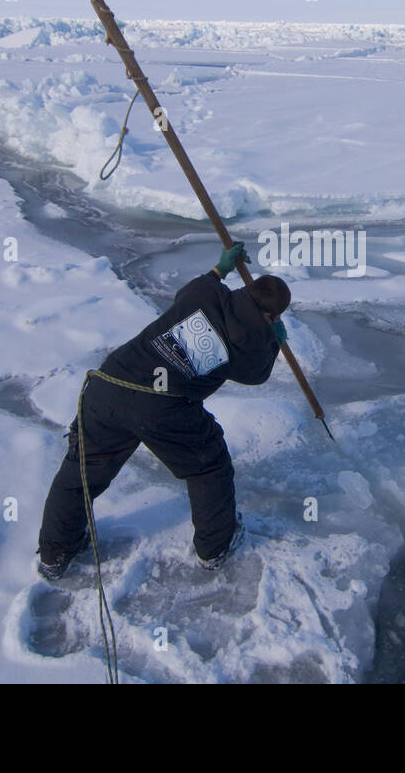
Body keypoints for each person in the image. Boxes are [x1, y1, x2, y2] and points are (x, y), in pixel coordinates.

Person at [36, 242, 289, 579]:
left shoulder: (206, 293)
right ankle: (215, 548)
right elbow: (257, 375)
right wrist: (274, 341)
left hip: (109, 382)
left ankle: (55, 553)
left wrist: (222, 267)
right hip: (162, 406)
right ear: (271, 317)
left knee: (82, 470)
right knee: (208, 466)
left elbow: (199, 284)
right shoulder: (250, 347)